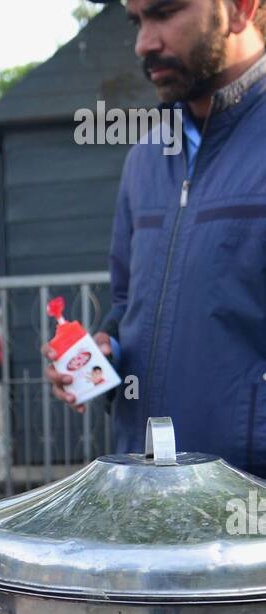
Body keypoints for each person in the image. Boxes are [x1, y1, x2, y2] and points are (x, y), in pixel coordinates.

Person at [43, 0, 266, 476]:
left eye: (165, 13)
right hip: (144, 498)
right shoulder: (144, 158)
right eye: (137, 20)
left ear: (241, 9)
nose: (144, 42)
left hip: (249, 516)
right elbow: (129, 306)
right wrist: (103, 355)